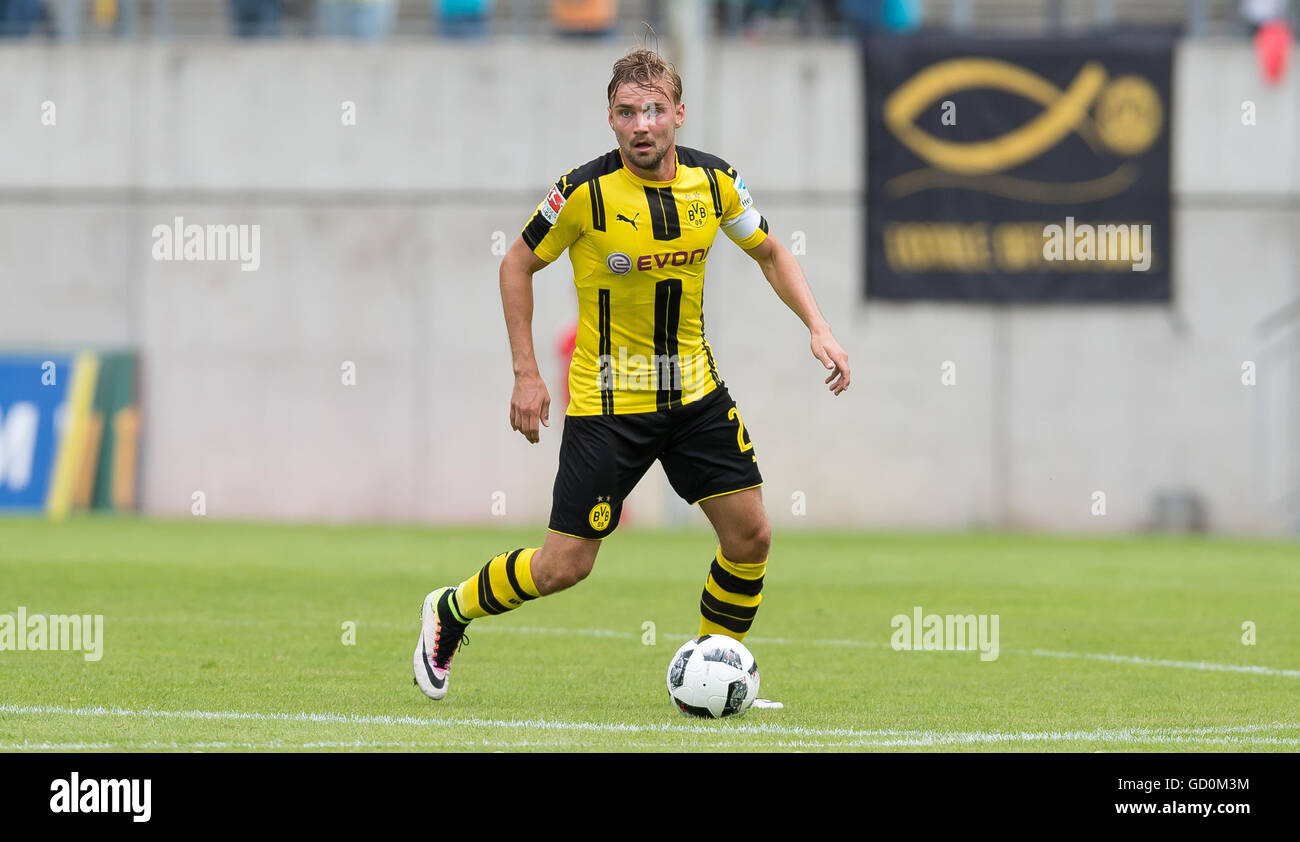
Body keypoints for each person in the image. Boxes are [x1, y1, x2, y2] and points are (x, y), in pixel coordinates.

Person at [413, 46, 850, 703]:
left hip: (695, 396)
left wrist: (817, 325)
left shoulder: (716, 182)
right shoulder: (584, 192)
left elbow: (770, 251)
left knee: (751, 535)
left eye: (653, 110)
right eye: (626, 112)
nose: (641, 124)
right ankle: (451, 610)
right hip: (609, 404)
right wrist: (525, 373)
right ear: (610, 120)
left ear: (678, 113)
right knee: (565, 567)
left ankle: (716, 666)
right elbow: (516, 264)